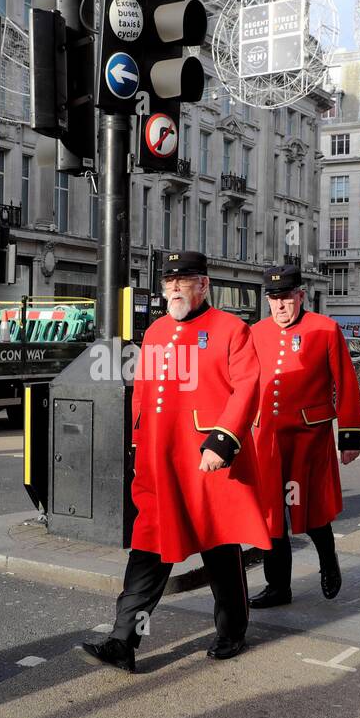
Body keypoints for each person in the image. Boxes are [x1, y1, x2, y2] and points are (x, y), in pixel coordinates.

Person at [82, 252, 272, 672]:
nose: (173, 288)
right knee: (149, 545)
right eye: (169, 281)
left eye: (183, 281)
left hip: (208, 459)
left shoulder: (231, 329)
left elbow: (247, 388)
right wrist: (137, 446)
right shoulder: (155, 332)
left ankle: (231, 630)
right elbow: (146, 396)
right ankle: (122, 641)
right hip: (161, 460)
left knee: (219, 547)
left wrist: (223, 439)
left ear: (203, 285)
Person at [247, 265, 360, 608]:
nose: (280, 306)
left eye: (286, 298)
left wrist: (350, 437)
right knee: (271, 513)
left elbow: (345, 383)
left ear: (301, 295)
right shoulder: (256, 332)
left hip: (308, 437)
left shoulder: (325, 329)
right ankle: (278, 586)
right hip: (266, 438)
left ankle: (328, 561)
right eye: (274, 299)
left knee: (309, 508)